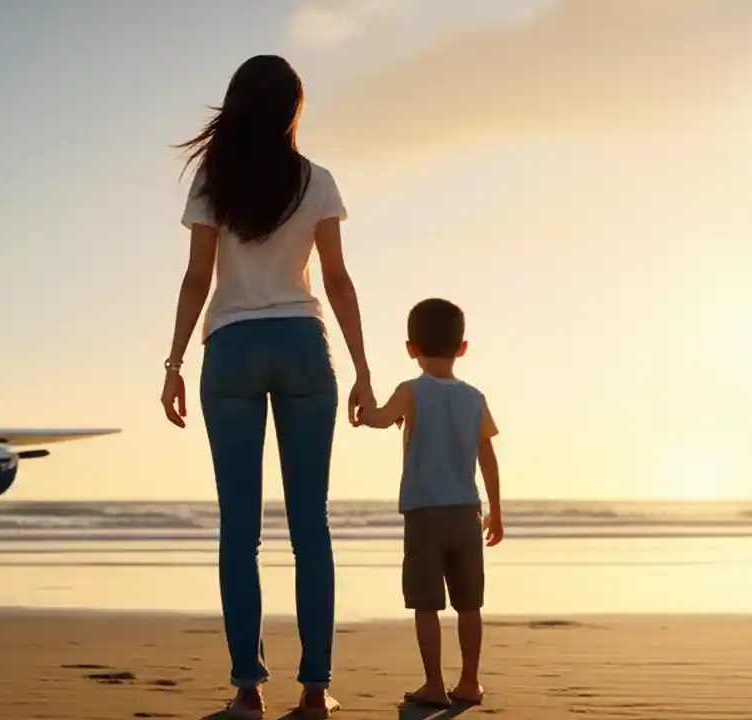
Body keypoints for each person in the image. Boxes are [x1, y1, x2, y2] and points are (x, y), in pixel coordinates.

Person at [159, 55, 372, 719]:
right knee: (312, 527)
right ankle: (314, 689)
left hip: (231, 351)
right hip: (304, 348)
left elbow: (198, 279)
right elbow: (336, 279)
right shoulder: (317, 180)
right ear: (290, 112)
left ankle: (248, 689)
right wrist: (365, 370)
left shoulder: (212, 181)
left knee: (239, 531)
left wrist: (172, 364)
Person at [355, 298, 503, 708]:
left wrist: (363, 410)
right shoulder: (474, 397)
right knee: (470, 602)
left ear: (410, 348)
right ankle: (470, 681)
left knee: (426, 603)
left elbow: (381, 418)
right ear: (462, 347)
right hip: (466, 512)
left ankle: (434, 683)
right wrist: (496, 510)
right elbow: (487, 456)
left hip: (424, 513)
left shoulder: (411, 391)